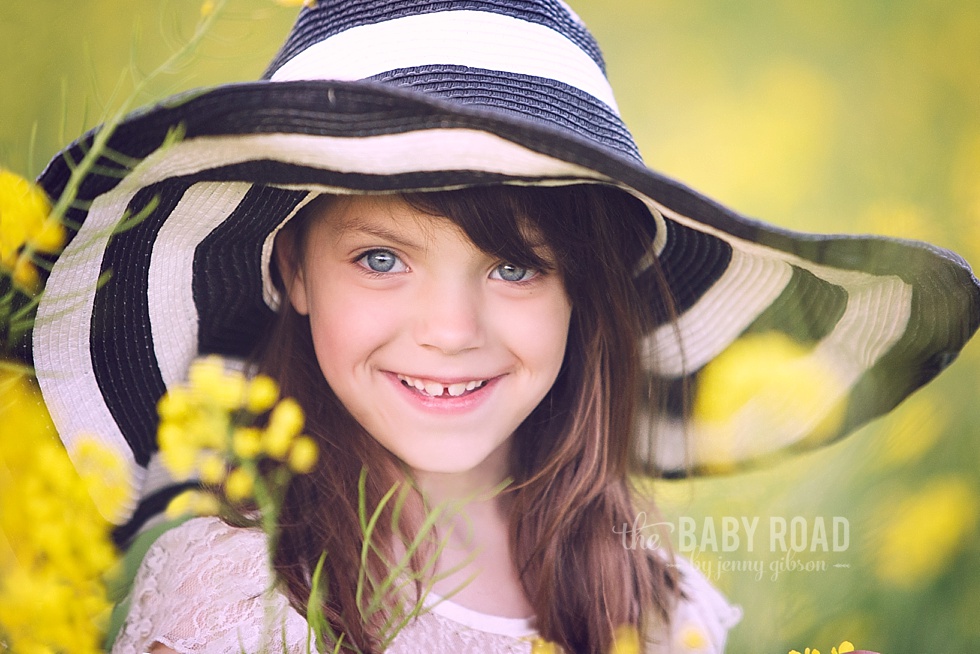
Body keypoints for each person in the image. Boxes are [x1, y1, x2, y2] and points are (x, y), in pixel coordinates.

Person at [30, 1, 979, 653]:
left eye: (517, 266)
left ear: (584, 294)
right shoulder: (232, 598)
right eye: (381, 259)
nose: (451, 330)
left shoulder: (660, 605)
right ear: (291, 269)